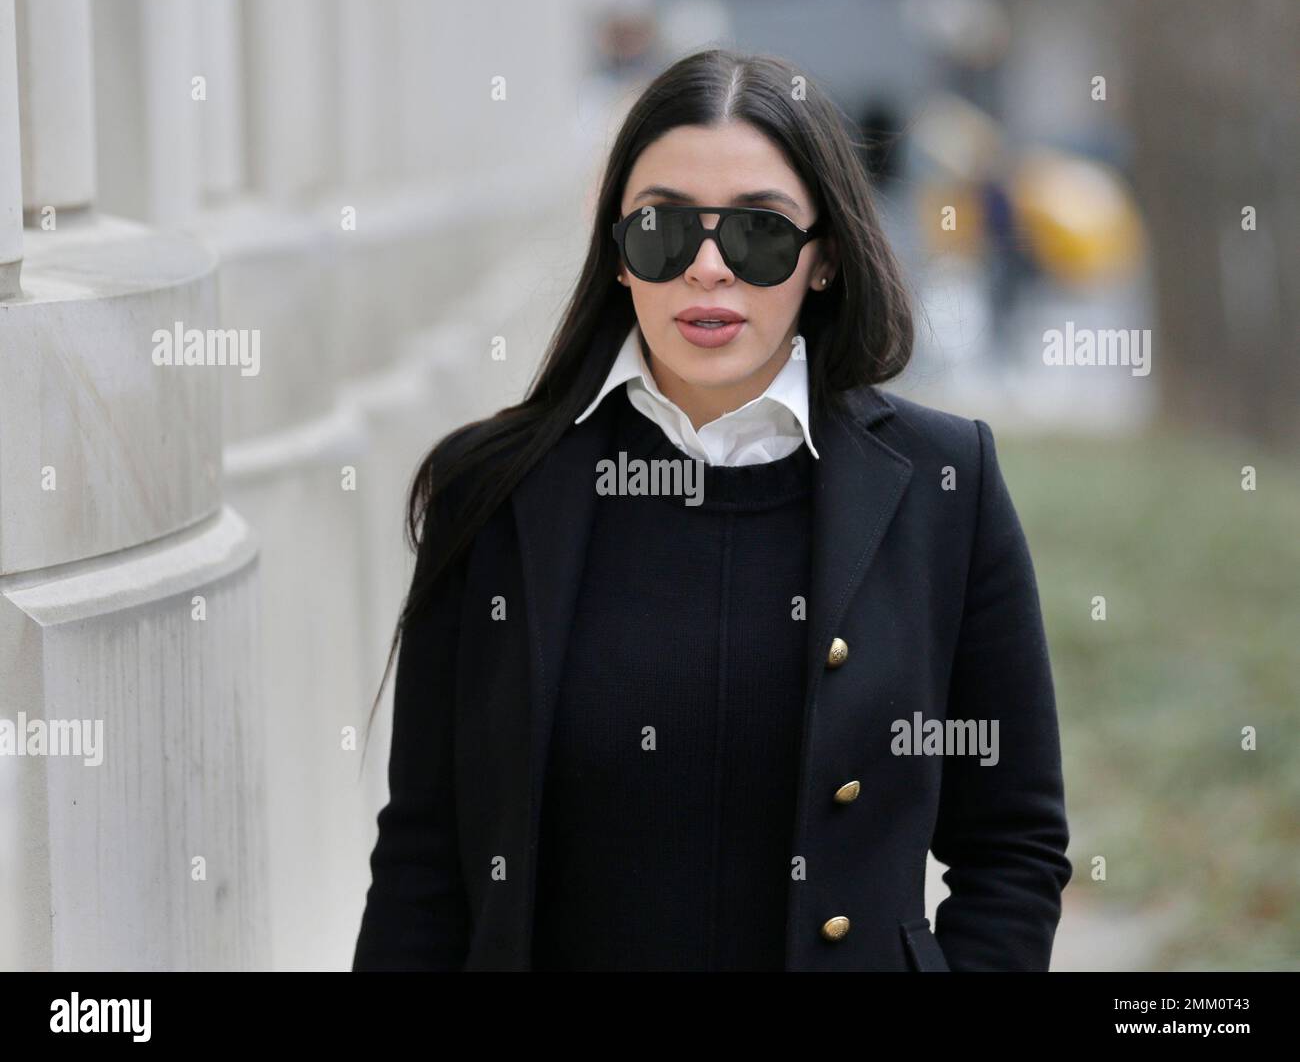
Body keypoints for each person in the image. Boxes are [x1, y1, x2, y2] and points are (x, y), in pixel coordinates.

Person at [352, 48, 1071, 972]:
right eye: (662, 228)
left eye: (759, 232)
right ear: (617, 255)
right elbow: (425, 860)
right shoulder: (492, 491)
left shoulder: (943, 484)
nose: (705, 268)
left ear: (826, 257)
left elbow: (1012, 846)